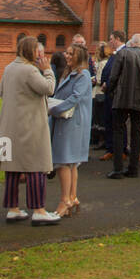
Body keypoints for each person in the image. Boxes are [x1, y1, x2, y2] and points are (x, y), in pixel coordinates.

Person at [0, 37, 60, 224]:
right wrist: (48, 71)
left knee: (12, 168)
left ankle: (13, 208)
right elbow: (49, 88)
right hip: (28, 127)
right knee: (36, 167)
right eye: (39, 51)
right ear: (31, 51)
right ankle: (38, 210)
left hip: (9, 126)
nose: (42, 55)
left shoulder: (9, 68)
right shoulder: (29, 70)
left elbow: (3, 93)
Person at [48, 42, 93, 217]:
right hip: (66, 121)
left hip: (72, 123)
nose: (66, 56)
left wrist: (53, 109)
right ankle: (72, 197)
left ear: (79, 57)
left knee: (63, 161)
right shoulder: (69, 73)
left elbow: (75, 97)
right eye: (66, 53)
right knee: (71, 163)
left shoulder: (83, 75)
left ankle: (64, 200)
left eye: (70, 54)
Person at [105, 32, 140, 178]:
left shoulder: (123, 54)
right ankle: (133, 168)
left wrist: (111, 90)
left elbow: (114, 76)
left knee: (119, 131)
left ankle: (118, 169)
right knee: (136, 132)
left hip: (122, 97)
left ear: (132, 42)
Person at [98, 30, 126, 159]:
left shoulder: (124, 53)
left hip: (116, 94)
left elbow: (119, 73)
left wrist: (108, 84)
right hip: (109, 92)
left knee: (118, 123)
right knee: (109, 121)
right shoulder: (114, 54)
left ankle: (120, 150)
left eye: (111, 39)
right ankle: (111, 148)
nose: (109, 41)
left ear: (117, 39)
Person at [90, 41, 110, 149]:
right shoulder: (108, 62)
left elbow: (99, 79)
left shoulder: (102, 63)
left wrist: (92, 80)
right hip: (104, 93)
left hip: (98, 93)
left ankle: (101, 141)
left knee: (99, 118)